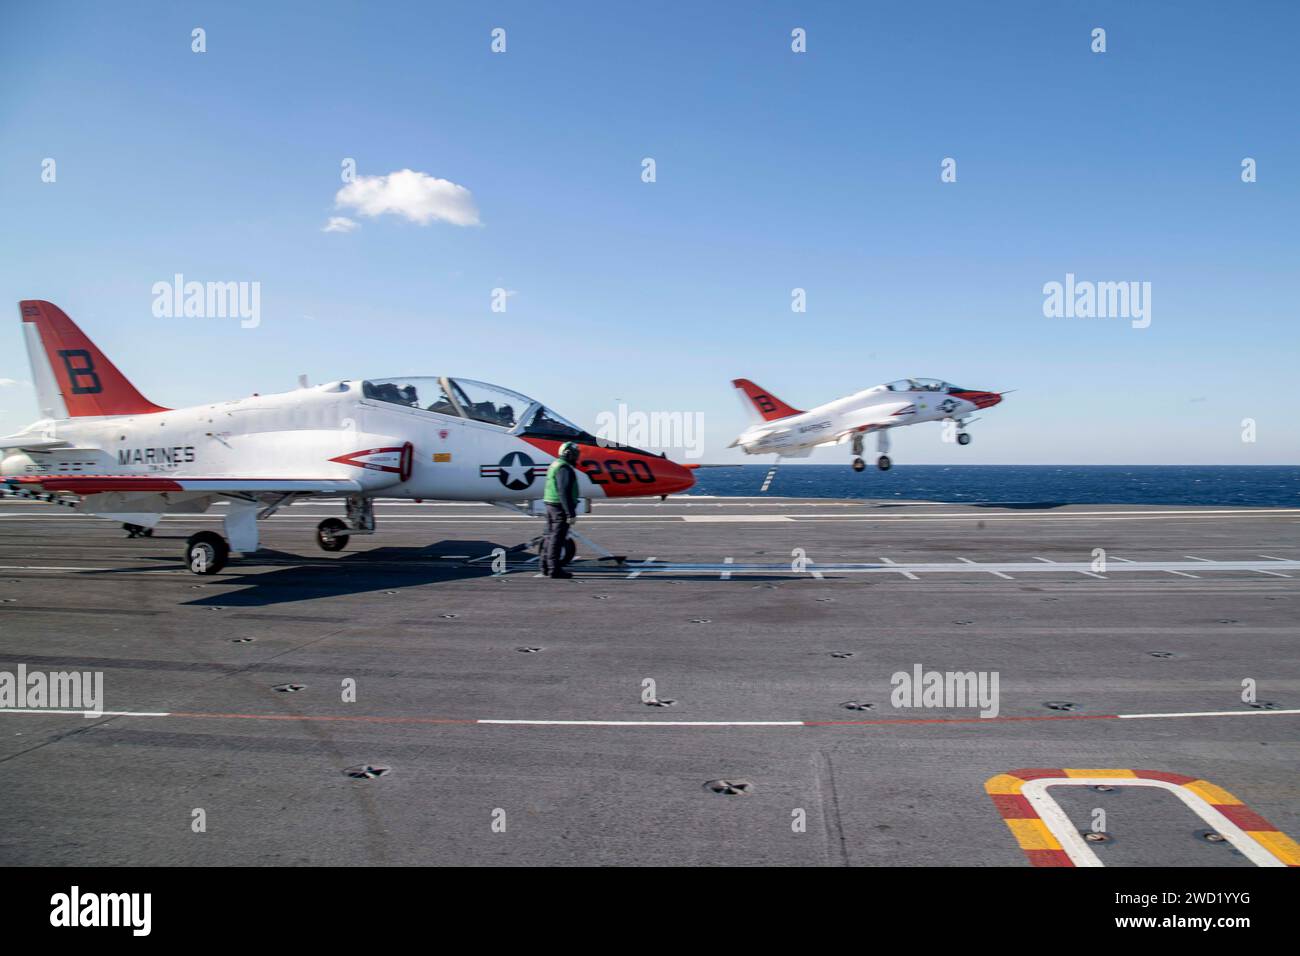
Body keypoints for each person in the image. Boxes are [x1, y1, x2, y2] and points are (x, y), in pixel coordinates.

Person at [541, 440, 581, 578]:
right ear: (568, 454)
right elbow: (564, 491)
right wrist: (570, 513)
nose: (577, 457)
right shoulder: (564, 468)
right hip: (559, 506)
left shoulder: (555, 464)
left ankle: (545, 566)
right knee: (557, 538)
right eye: (575, 454)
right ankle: (554, 569)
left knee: (549, 536)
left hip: (550, 504)